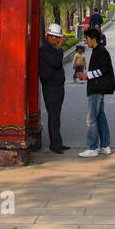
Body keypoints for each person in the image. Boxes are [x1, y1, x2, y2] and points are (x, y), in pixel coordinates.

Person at [76, 27, 114, 157]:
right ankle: (105, 145)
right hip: (97, 88)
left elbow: (103, 70)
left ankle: (92, 147)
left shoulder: (100, 51)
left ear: (93, 39)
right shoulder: (98, 50)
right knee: (100, 117)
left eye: (87, 39)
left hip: (96, 89)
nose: (86, 42)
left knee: (91, 119)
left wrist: (87, 75)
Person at [38, 23, 70, 153]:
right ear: (50, 37)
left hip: (57, 87)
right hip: (51, 88)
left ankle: (57, 141)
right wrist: (60, 48)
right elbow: (56, 63)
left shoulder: (51, 48)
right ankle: (55, 144)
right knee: (53, 116)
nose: (58, 40)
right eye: (56, 37)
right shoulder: (46, 50)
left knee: (56, 116)